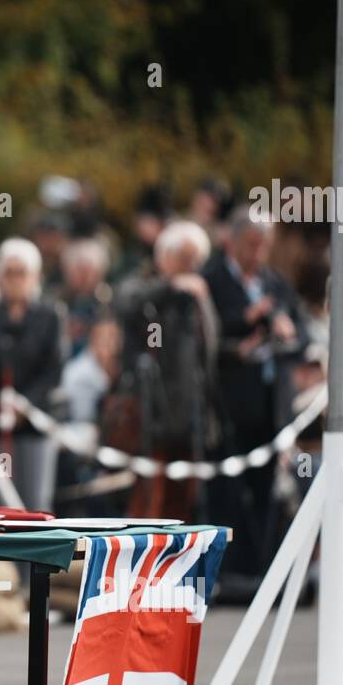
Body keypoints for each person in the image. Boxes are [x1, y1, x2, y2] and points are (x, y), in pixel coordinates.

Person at [203, 208, 307, 594]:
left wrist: (285, 327)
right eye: (251, 245)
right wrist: (248, 317)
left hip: (271, 404)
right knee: (229, 492)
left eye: (264, 246)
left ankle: (263, 573)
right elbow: (208, 336)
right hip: (230, 406)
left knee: (268, 493)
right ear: (233, 241)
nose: (258, 254)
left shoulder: (274, 283)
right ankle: (231, 574)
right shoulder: (211, 280)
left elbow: (300, 335)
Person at [107, 220, 220, 522]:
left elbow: (209, 347)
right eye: (184, 259)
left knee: (183, 502)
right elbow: (126, 303)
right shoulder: (143, 285)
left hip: (188, 414)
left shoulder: (194, 297)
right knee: (147, 501)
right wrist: (169, 286)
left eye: (195, 261)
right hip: (149, 413)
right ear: (164, 256)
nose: (190, 268)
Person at [0, 237, 66, 513]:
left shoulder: (50, 316)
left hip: (36, 423)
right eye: (9, 273)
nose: (16, 280)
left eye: (22, 273)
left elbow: (53, 370)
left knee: (35, 503)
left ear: (35, 276)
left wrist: (25, 404)